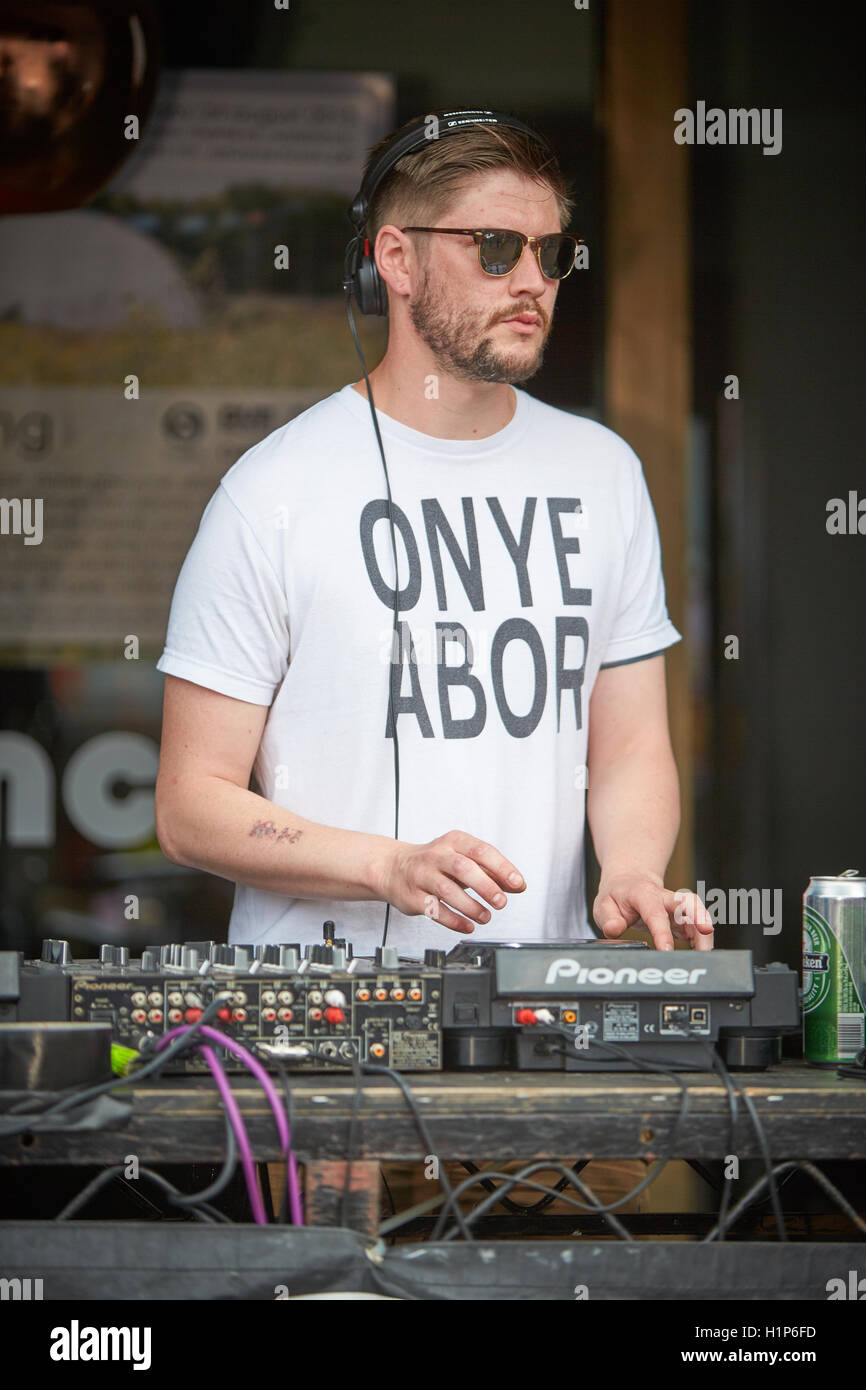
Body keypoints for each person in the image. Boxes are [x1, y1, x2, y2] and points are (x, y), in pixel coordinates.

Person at [154, 111, 713, 958]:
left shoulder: (605, 473)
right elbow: (190, 805)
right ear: (396, 260)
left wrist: (631, 868)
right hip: (328, 1027)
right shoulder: (271, 493)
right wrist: (385, 867)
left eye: (551, 253)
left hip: (539, 1007)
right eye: (494, 248)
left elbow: (631, 744)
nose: (532, 279)